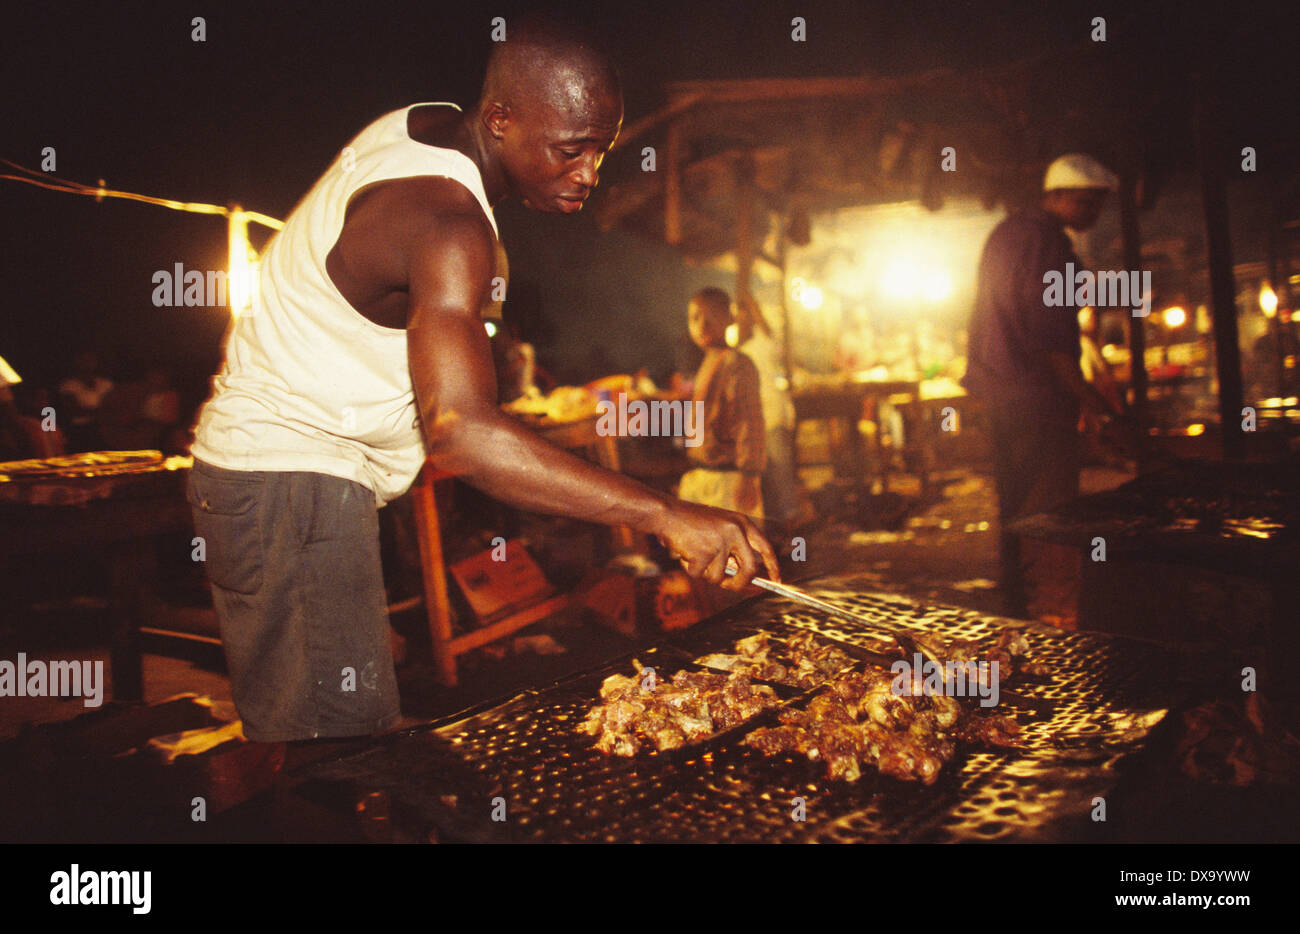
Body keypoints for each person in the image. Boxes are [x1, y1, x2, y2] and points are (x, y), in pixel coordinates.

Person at [188, 21, 778, 745]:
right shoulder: (449, 223)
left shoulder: (431, 126)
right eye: (570, 150)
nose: (590, 174)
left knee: (338, 734)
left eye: (601, 150)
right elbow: (462, 435)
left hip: (288, 479)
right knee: (335, 758)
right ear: (500, 120)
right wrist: (667, 514)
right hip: (287, 481)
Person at [963, 153, 1125, 619]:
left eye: (1098, 204)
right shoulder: (1047, 244)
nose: (1094, 213)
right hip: (1035, 397)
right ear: (1055, 195)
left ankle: (1018, 606)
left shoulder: (1006, 233)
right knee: (1048, 508)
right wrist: (1101, 408)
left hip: (1002, 393)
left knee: (1016, 503)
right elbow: (1053, 342)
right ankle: (1049, 612)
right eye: (1086, 202)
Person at [677, 287, 765, 519]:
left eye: (712, 316)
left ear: (729, 319)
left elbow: (749, 422)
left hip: (730, 481)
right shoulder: (709, 361)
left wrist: (749, 476)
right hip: (703, 475)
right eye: (695, 318)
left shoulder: (737, 364)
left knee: (737, 550)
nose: (702, 325)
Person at [734, 292, 810, 527]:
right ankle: (776, 524)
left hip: (773, 415)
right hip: (753, 419)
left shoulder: (761, 342)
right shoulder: (736, 349)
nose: (740, 322)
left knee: (780, 468)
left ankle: (791, 521)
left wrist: (751, 303)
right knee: (764, 474)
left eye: (744, 317)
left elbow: (765, 328)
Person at [58, 350, 113, 452]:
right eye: (83, 360)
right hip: (82, 431)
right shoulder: (68, 386)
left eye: (90, 360)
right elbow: (73, 411)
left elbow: (114, 406)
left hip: (108, 429)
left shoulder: (106, 384)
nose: (87, 364)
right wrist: (100, 412)